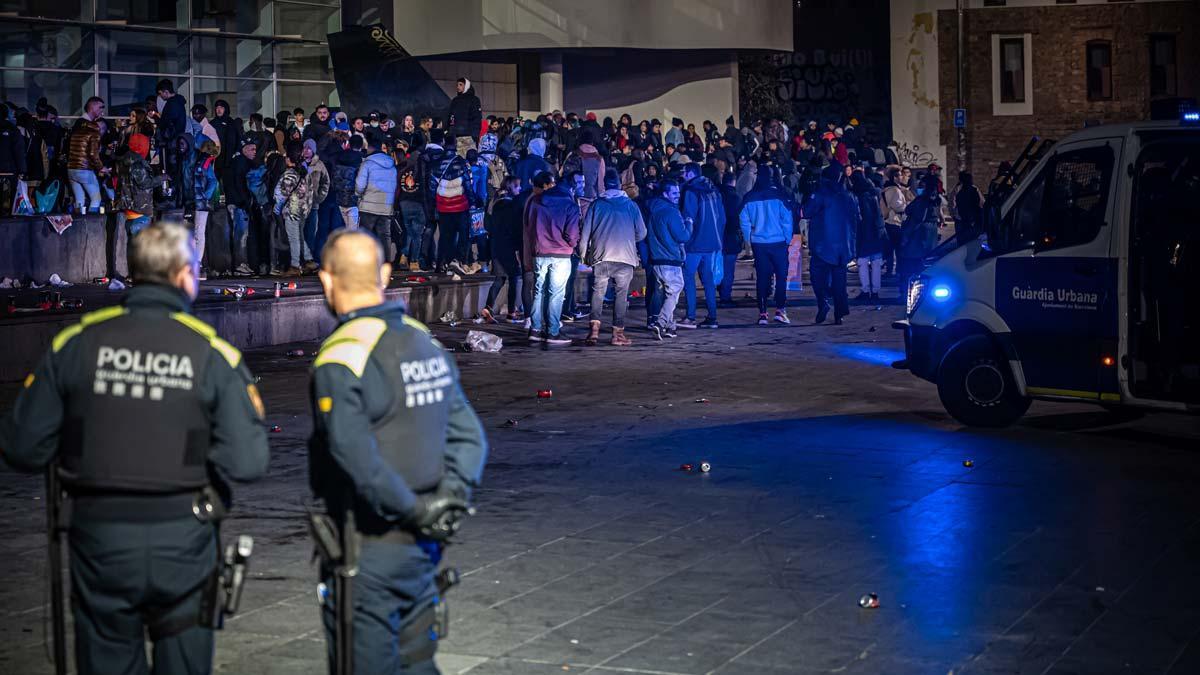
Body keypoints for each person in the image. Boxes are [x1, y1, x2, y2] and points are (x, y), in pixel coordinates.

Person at [0, 222, 269, 675]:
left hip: (100, 538)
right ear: (185, 274)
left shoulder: (78, 341)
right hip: (184, 540)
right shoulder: (212, 353)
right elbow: (249, 461)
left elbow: (22, 446)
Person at [308, 230, 486, 675]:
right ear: (385, 275)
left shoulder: (342, 357)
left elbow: (358, 462)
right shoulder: (423, 339)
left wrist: (412, 510)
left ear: (326, 280)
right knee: (418, 661)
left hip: (369, 546)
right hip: (426, 546)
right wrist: (447, 500)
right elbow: (471, 438)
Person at [578, 168, 647, 346]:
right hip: (625, 258)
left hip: (602, 256)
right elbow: (642, 233)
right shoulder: (631, 206)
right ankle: (617, 334)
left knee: (598, 293)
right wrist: (629, 238)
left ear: (604, 185)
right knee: (621, 296)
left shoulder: (596, 205)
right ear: (619, 185)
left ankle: (593, 331)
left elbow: (585, 234)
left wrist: (584, 254)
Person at [523, 170, 579, 345]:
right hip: (561, 254)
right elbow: (572, 235)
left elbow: (528, 227)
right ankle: (553, 331)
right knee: (555, 293)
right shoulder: (570, 205)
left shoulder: (535, 202)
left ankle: (536, 328)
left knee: (539, 291)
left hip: (540, 252)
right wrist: (572, 244)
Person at [739, 168, 796, 325]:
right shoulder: (779, 196)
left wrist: (748, 240)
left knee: (762, 278)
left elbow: (744, 221)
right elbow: (787, 220)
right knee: (781, 277)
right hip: (778, 242)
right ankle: (780, 310)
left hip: (759, 243)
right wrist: (787, 238)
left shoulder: (749, 197)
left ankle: (763, 313)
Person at [805, 163, 859, 324]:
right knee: (839, 281)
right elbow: (856, 219)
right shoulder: (849, 196)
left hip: (822, 244)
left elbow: (807, 212)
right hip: (843, 245)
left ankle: (823, 302)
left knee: (817, 277)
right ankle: (839, 312)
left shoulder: (820, 194)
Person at [679, 163, 725, 329]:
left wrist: (684, 240)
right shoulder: (714, 190)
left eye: (684, 172)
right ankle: (712, 317)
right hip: (713, 243)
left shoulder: (691, 191)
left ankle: (690, 316)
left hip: (695, 243)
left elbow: (688, 217)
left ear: (691, 174)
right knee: (708, 281)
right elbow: (722, 217)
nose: (682, 175)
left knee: (688, 277)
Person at [113, 132, 167, 272]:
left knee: (133, 247)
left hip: (129, 210)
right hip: (140, 210)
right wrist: (162, 178)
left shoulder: (125, 160)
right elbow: (144, 183)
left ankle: (133, 274)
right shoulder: (137, 163)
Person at [645, 179, 690, 339]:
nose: (678, 196)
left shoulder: (653, 210)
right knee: (675, 291)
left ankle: (671, 327)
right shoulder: (671, 212)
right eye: (674, 193)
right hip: (670, 259)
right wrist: (688, 223)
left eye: (678, 192)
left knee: (667, 293)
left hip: (656, 260)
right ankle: (661, 322)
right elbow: (682, 236)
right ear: (665, 194)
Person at [430, 130, 477, 275]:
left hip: (443, 206)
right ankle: (457, 260)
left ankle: (440, 264)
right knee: (463, 235)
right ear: (456, 145)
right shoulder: (462, 162)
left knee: (445, 237)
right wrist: (472, 202)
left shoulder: (436, 163)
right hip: (460, 206)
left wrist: (434, 205)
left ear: (444, 143)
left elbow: (432, 186)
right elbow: (468, 184)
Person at [482, 176, 525, 324]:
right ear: (510, 187)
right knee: (513, 277)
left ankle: (488, 307)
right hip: (508, 246)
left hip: (495, 244)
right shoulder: (509, 204)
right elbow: (514, 227)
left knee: (500, 279)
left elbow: (486, 224)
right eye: (517, 186)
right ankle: (512, 312)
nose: (519, 189)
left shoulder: (492, 201)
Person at [897, 174, 943, 302]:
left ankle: (908, 294)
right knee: (922, 266)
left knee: (909, 266)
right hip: (928, 238)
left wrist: (905, 236)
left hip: (917, 239)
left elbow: (917, 220)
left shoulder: (922, 202)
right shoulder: (935, 200)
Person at [355, 132, 398, 263]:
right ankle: (385, 265)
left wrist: (359, 195)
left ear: (370, 148)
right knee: (385, 237)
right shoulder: (392, 165)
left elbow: (360, 185)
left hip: (368, 207)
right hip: (386, 207)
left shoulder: (367, 164)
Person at [274, 142, 312, 276]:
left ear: (288, 159)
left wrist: (277, 209)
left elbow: (282, 195)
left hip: (292, 210)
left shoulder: (289, 174)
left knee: (293, 238)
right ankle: (309, 260)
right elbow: (310, 192)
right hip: (303, 209)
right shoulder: (305, 173)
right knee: (300, 236)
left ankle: (295, 265)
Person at [851, 171, 887, 303]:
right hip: (877, 231)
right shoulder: (875, 193)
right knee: (876, 263)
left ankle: (866, 290)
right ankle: (876, 291)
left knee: (862, 262)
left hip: (864, 232)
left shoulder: (860, 196)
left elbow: (862, 217)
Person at [66, 96, 106, 214]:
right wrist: (101, 167)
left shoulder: (77, 125)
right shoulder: (94, 129)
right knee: (96, 199)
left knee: (79, 200)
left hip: (71, 168)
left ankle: (77, 225)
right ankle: (90, 225)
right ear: (92, 107)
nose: (102, 111)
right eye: (100, 107)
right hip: (84, 169)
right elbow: (93, 153)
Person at [226, 137, 259, 276]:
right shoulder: (241, 163)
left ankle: (240, 263)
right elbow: (240, 184)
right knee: (241, 235)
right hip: (239, 204)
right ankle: (240, 264)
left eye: (255, 149)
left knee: (240, 234)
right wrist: (245, 202)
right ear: (244, 149)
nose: (254, 152)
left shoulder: (238, 161)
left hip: (237, 203)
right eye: (252, 149)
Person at [192, 139, 219, 280]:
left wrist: (204, 196)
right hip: (201, 201)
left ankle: (197, 263)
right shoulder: (207, 161)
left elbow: (212, 180)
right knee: (198, 232)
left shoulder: (203, 161)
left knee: (198, 232)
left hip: (199, 201)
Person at [303, 138, 332, 265]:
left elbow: (326, 182)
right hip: (300, 205)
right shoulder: (299, 163)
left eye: (309, 148)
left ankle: (309, 259)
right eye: (305, 148)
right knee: (299, 233)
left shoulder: (319, 165)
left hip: (314, 205)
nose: (306, 151)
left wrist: (320, 197)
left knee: (311, 233)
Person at [716, 170, 743, 306]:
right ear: (734, 182)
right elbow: (739, 219)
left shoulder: (717, 196)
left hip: (717, 236)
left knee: (717, 266)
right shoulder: (736, 198)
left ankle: (719, 287)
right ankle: (725, 295)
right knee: (729, 268)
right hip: (731, 236)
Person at [881, 166, 913, 276]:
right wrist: (908, 205)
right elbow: (898, 207)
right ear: (895, 177)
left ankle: (889, 270)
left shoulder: (886, 189)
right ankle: (899, 270)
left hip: (888, 222)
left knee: (890, 248)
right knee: (899, 249)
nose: (902, 176)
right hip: (894, 222)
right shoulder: (895, 190)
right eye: (900, 175)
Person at [333, 134, 364, 230]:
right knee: (353, 233)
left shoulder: (338, 157)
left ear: (349, 144)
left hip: (339, 200)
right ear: (361, 146)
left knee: (346, 231)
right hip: (354, 202)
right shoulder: (361, 161)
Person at [447, 77, 483, 151]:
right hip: (456, 137)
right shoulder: (455, 100)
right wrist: (450, 132)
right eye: (457, 85)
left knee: (469, 159)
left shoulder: (474, 100)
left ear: (466, 86)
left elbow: (477, 119)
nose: (458, 87)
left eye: (460, 85)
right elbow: (451, 117)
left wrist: (475, 136)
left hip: (469, 137)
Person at [950, 171, 984, 245]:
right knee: (972, 241)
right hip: (973, 219)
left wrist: (954, 215)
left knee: (961, 242)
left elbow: (952, 204)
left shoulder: (957, 189)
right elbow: (982, 203)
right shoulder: (974, 188)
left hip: (960, 219)